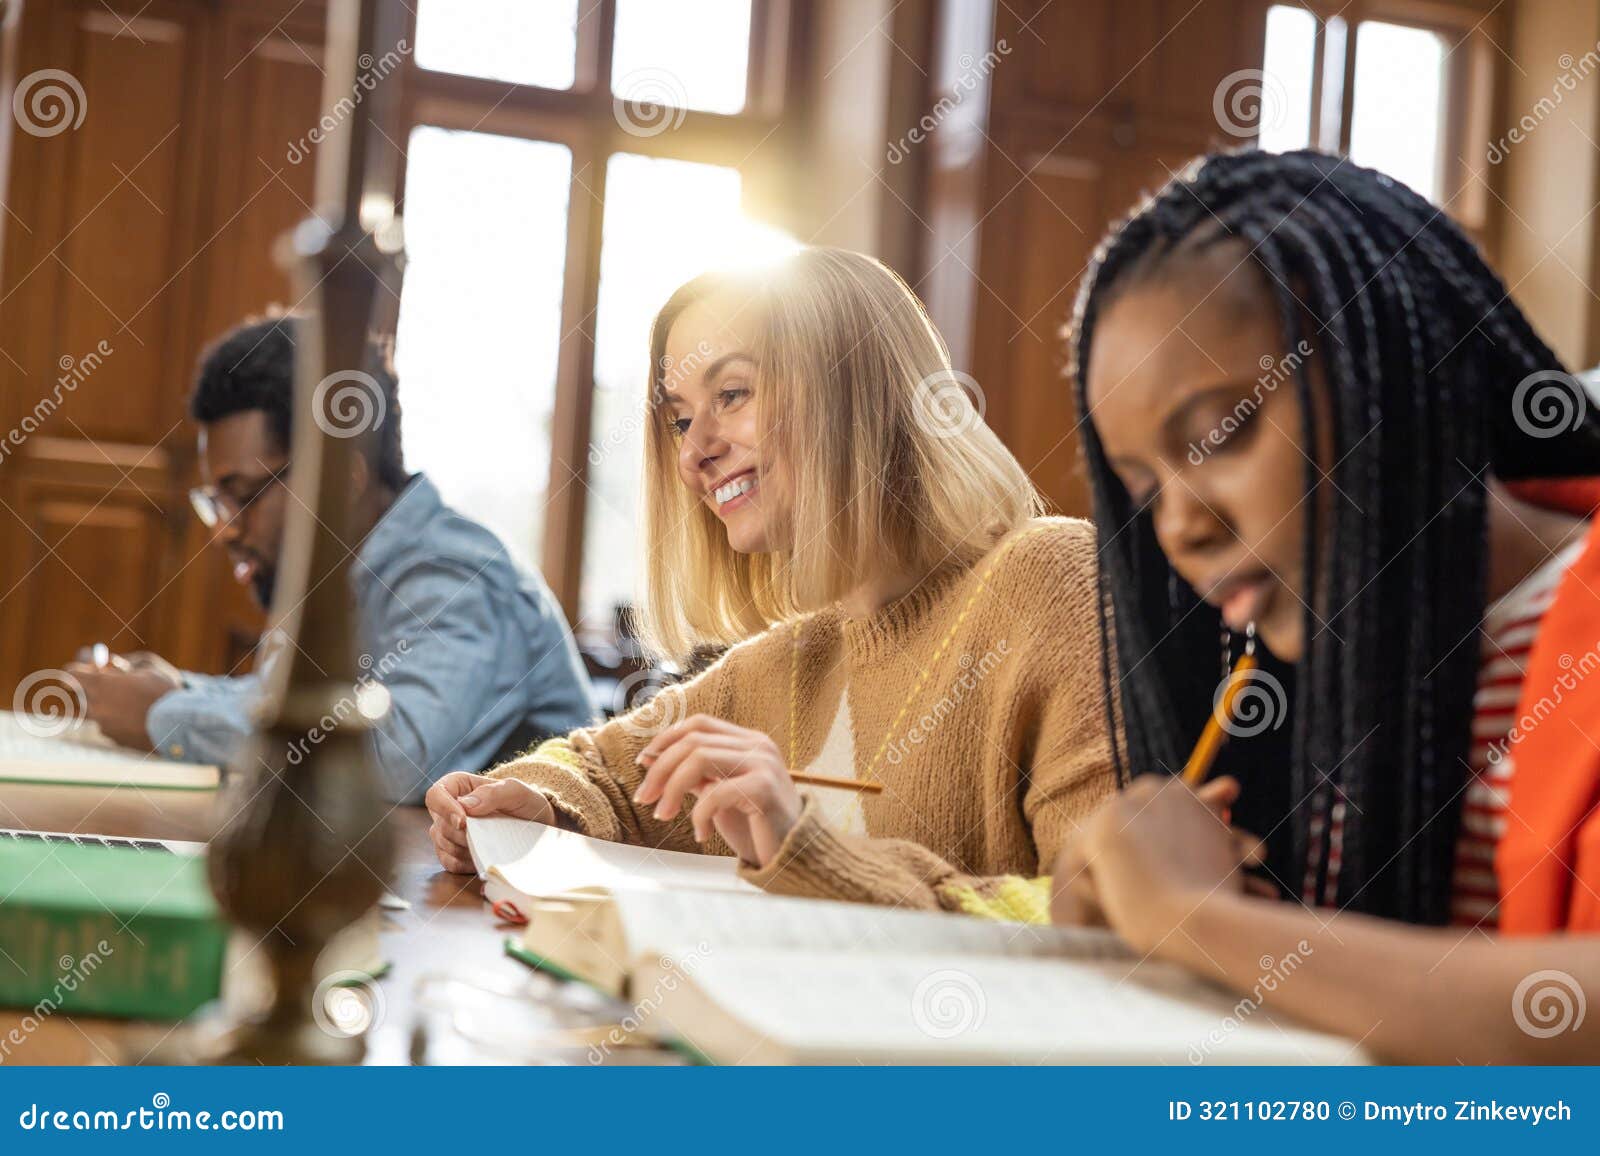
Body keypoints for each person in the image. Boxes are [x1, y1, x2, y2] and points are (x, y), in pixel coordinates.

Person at [1054, 148, 1600, 1062]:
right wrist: (1134, 927)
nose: (1181, 528)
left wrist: (1196, 923)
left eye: (1221, 433)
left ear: (1387, 369)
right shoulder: (1321, 673)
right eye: (1143, 489)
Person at [426, 248, 1114, 913]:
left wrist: (811, 854)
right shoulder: (792, 659)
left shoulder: (1049, 577)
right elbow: (597, 772)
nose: (694, 452)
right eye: (680, 419)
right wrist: (529, 800)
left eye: (732, 393)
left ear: (856, 389)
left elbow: (1106, 913)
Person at [66, 316, 596, 804]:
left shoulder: (453, 574)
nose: (224, 531)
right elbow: (302, 709)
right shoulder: (342, 566)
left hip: (500, 900)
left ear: (341, 482)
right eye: (216, 503)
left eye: (244, 496)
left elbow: (393, 759)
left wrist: (164, 715)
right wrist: (180, 690)